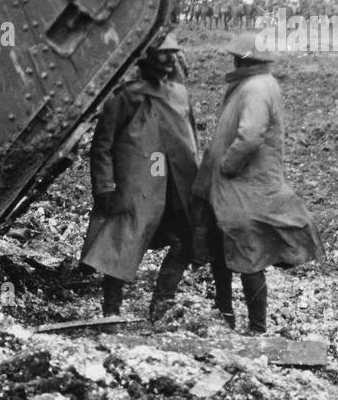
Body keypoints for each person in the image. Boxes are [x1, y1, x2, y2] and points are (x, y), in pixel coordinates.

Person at [192, 32, 323, 333]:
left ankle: (255, 326)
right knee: (224, 249)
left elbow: (250, 136)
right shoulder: (255, 84)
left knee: (249, 254)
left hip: (244, 186)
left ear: (244, 59)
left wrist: (227, 165)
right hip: (237, 187)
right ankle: (225, 315)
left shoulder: (255, 88)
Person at [78, 32, 201, 320]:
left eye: (171, 55)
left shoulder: (180, 95)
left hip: (174, 185)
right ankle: (112, 311)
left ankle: (162, 302)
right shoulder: (126, 97)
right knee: (121, 244)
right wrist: (105, 185)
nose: (168, 61)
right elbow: (102, 145)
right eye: (162, 55)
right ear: (147, 59)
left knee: (186, 240)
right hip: (136, 185)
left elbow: (191, 138)